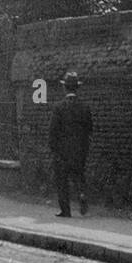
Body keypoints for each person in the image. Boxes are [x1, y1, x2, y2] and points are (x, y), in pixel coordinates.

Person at [49, 71, 93, 217]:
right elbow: (89, 130)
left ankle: (65, 210)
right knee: (79, 176)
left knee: (62, 181)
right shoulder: (85, 107)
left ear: (65, 88)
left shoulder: (58, 107)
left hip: (62, 152)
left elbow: (53, 131)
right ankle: (82, 194)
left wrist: (54, 149)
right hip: (79, 151)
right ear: (77, 88)